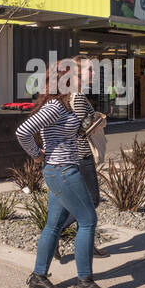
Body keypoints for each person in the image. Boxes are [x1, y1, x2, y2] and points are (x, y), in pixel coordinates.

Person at [14, 64, 115, 288]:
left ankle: (39, 277)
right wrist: (37, 154)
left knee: (54, 225)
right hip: (62, 171)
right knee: (88, 220)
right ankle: (85, 284)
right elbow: (23, 132)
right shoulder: (55, 107)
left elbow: (60, 135)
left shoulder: (66, 105)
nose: (82, 79)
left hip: (61, 169)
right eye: (76, 76)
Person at [60, 57, 109, 259]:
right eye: (91, 70)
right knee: (91, 201)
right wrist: (98, 119)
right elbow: (81, 129)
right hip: (82, 156)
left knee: (83, 201)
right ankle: (55, 233)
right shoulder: (78, 97)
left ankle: (86, 245)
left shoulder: (75, 95)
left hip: (77, 156)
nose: (95, 74)